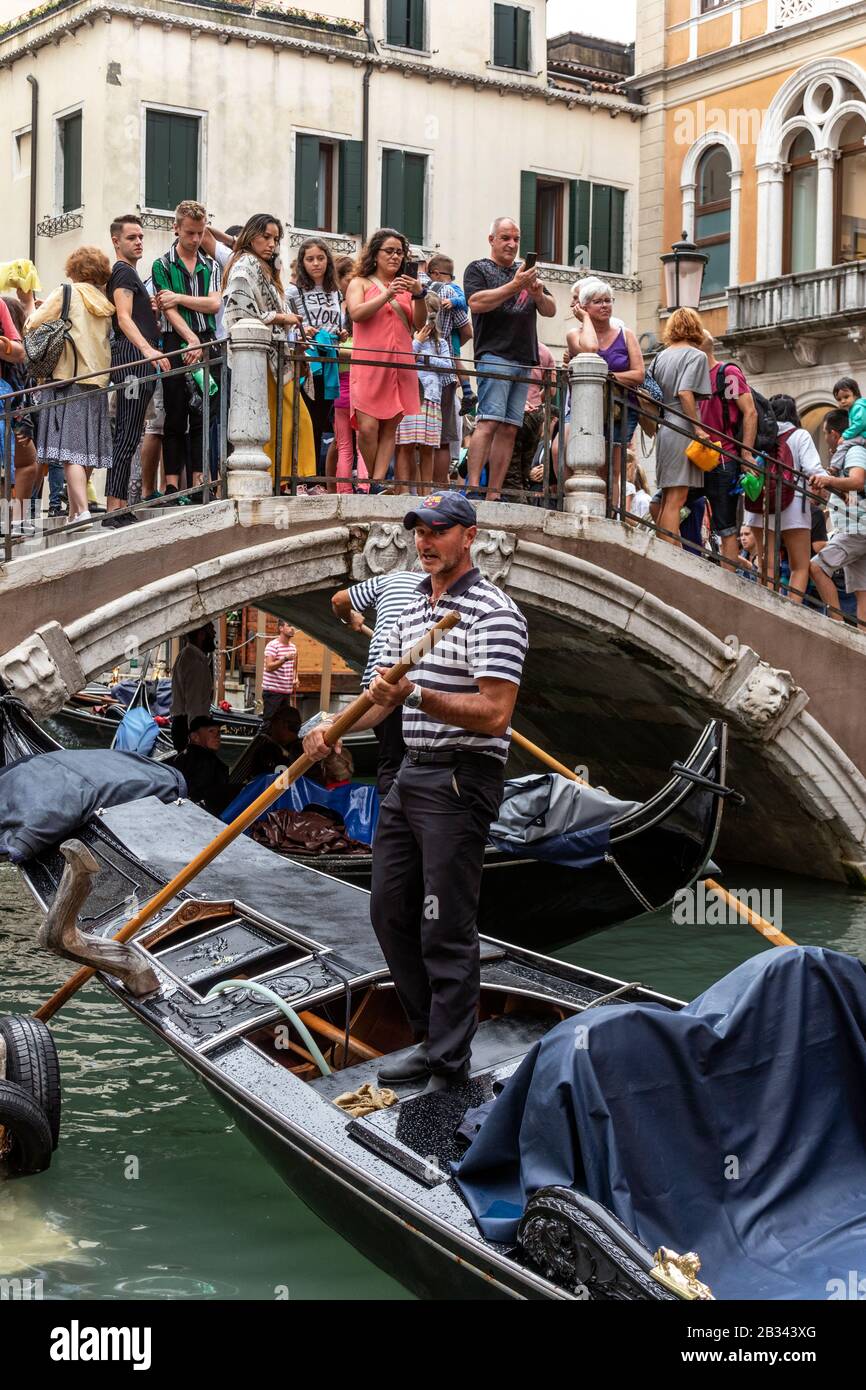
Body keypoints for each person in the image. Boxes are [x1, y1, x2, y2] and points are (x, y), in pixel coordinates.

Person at [305, 492, 528, 1091]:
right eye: (418, 532)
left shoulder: (493, 613)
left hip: (461, 778)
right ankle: (430, 1036)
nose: (425, 541)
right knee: (388, 909)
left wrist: (419, 697)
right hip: (413, 774)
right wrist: (328, 732)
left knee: (445, 923)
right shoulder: (411, 615)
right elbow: (382, 704)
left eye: (438, 530)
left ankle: (449, 1063)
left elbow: (495, 714)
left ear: (469, 536)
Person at [463, 217, 556, 501]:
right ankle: (473, 488)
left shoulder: (526, 272)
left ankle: (494, 493)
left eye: (516, 238)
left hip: (524, 356)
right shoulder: (478, 269)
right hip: (494, 354)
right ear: (491, 239)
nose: (512, 244)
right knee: (488, 421)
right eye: (505, 238)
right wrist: (515, 286)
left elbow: (551, 310)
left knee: (509, 428)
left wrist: (538, 293)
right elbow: (476, 303)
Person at [222, 214, 316, 486]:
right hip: (260, 356)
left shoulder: (262, 267)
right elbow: (238, 313)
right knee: (290, 418)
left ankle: (285, 479)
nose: (271, 244)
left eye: (275, 239)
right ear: (251, 236)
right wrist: (279, 318)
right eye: (266, 237)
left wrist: (292, 323)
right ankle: (287, 479)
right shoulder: (244, 267)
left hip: (273, 353)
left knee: (285, 418)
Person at [24, 246, 115, 527]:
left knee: (69, 450)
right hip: (98, 379)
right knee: (85, 448)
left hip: (66, 378)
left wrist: (30, 306)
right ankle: (76, 512)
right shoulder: (103, 302)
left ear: (73, 269)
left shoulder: (67, 292)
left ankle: (83, 511)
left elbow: (32, 324)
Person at [345, 228, 427, 492]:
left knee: (390, 427)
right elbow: (357, 313)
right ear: (375, 254)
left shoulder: (407, 288)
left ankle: (377, 484)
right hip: (369, 364)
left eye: (399, 253)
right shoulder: (360, 282)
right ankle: (374, 480)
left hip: (400, 363)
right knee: (367, 427)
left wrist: (419, 294)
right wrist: (388, 294)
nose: (395, 257)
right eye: (389, 251)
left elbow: (419, 323)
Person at [151, 200, 222, 498]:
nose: (195, 239)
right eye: (190, 233)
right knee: (175, 413)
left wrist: (179, 297)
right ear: (176, 228)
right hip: (174, 341)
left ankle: (198, 483)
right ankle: (171, 485)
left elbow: (214, 303)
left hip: (206, 340)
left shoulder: (212, 265)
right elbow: (168, 311)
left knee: (204, 415)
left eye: (199, 233)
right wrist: (190, 339)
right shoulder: (161, 264)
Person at [331, 566, 424, 796]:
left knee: (391, 758)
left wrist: (349, 617)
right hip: (421, 681)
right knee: (421, 761)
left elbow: (338, 600)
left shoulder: (390, 579)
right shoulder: (443, 586)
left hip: (384, 679)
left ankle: (387, 821)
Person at [104, 215, 171, 528]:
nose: (139, 242)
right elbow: (123, 318)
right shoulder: (122, 273)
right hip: (132, 360)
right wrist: (148, 350)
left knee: (131, 434)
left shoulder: (129, 274)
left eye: (141, 237)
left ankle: (119, 506)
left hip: (136, 359)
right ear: (117, 241)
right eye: (132, 237)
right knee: (127, 434)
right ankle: (114, 510)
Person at [569, 278, 644, 512]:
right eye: (597, 302)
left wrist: (610, 377)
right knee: (595, 466)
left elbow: (639, 374)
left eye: (608, 301)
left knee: (613, 468)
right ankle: (594, 511)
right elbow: (589, 350)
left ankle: (611, 513)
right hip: (590, 409)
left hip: (622, 409)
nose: (605, 306)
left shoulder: (626, 334)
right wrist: (585, 321)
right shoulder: (575, 335)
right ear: (584, 307)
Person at [742, 394, 823, 602]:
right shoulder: (800, 435)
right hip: (793, 503)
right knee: (800, 565)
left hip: (759, 501)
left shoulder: (757, 434)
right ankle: (791, 610)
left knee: (766, 563)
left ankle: (766, 607)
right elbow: (814, 469)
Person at [648, 307, 712, 548]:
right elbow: (685, 393)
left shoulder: (659, 357)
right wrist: (698, 429)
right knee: (678, 497)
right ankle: (671, 552)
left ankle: (670, 547)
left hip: (664, 425)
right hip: (682, 426)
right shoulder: (696, 356)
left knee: (667, 496)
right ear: (695, 327)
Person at [697, 332, 758, 570]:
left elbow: (749, 412)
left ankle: (728, 581)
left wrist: (745, 454)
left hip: (723, 458)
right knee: (665, 502)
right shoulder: (693, 378)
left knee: (726, 526)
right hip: (697, 457)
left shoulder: (727, 374)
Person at [287, 238, 345, 472]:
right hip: (308, 358)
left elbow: (335, 322)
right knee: (306, 416)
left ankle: (313, 474)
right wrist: (301, 330)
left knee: (321, 419)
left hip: (330, 357)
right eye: (310, 259)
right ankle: (302, 473)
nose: (316, 264)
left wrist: (340, 333)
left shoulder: (335, 292)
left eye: (320, 258)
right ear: (302, 263)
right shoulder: (293, 291)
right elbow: (288, 323)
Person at [809, 409, 866, 623]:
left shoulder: (854, 451)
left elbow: (857, 481)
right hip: (857, 527)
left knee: (816, 567)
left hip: (856, 529)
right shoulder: (850, 453)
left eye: (825, 433)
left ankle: (836, 624)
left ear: (833, 433)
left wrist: (828, 481)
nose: (825, 437)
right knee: (862, 593)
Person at [394, 323, 455, 495]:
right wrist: (417, 343)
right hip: (410, 395)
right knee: (406, 445)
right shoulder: (406, 337)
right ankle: (404, 491)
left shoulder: (440, 343)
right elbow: (404, 359)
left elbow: (448, 367)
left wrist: (422, 357)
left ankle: (426, 493)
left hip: (432, 397)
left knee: (428, 448)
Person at [0, 294, 38, 536]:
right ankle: (16, 520)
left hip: (9, 403)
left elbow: (18, 352)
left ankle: (13, 521)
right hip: (10, 405)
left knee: (24, 464)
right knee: (25, 464)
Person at [329, 256, 367, 495]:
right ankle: (363, 487)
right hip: (360, 388)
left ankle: (343, 491)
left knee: (344, 447)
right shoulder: (359, 320)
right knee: (361, 445)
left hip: (340, 391)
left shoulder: (336, 310)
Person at [502, 340, 555, 501]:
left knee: (510, 462)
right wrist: (535, 401)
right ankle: (524, 498)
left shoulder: (506, 345)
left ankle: (512, 500)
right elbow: (551, 389)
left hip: (512, 409)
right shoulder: (545, 351)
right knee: (526, 461)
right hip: (535, 414)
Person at [169, 715, 231, 817]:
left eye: (218, 732)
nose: (218, 736)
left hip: (181, 808)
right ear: (195, 737)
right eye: (211, 731)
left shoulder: (182, 757)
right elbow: (204, 796)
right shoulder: (205, 760)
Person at [170, 623, 216, 752]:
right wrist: (196, 737)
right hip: (189, 726)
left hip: (184, 724)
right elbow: (194, 705)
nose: (214, 635)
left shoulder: (186, 654)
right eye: (212, 632)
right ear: (201, 635)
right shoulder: (194, 662)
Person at [261, 620, 298, 720]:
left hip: (286, 691)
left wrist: (296, 678)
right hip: (272, 692)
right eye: (289, 625)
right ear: (281, 628)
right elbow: (268, 667)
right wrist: (284, 658)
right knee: (269, 722)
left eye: (293, 626)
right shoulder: (272, 645)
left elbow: (293, 667)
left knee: (283, 724)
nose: (292, 628)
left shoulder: (293, 647)